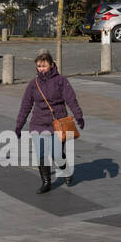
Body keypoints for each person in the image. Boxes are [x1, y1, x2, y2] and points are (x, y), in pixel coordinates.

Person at [14, 50, 84, 193]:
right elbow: (26, 105)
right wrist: (19, 126)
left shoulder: (61, 80)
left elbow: (71, 99)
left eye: (44, 66)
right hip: (38, 124)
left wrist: (79, 116)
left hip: (57, 123)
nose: (41, 69)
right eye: (39, 66)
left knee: (57, 154)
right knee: (41, 155)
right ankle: (46, 182)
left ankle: (66, 171)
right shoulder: (34, 84)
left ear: (52, 65)